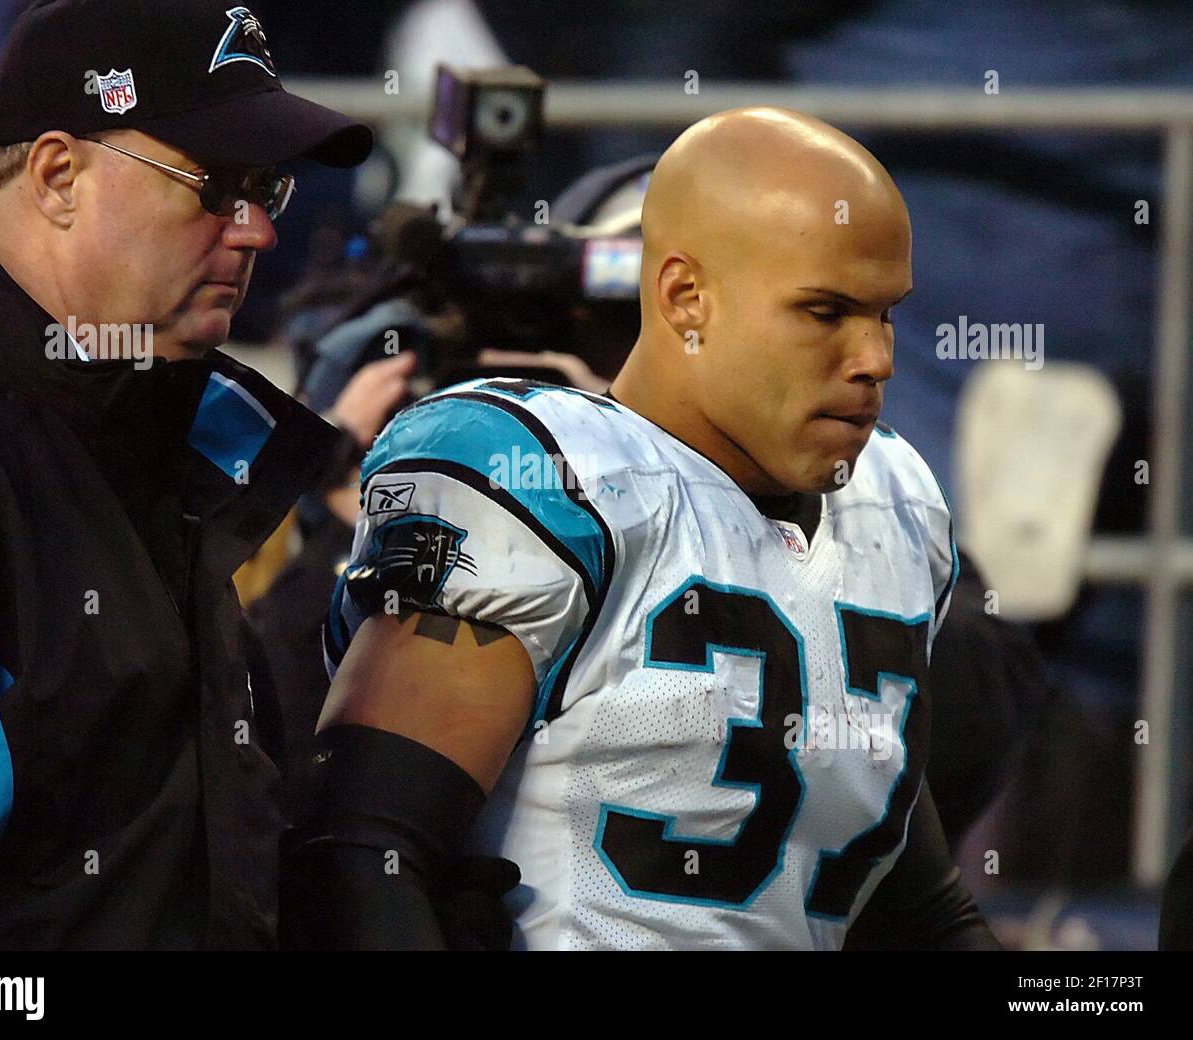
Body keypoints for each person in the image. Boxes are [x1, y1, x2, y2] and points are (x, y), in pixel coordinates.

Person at [295, 106, 1001, 949]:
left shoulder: (891, 501)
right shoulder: (542, 483)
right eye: (825, 311)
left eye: (885, 314)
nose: (875, 358)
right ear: (684, 296)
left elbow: (912, 910)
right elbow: (359, 858)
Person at [0, 0, 373, 950]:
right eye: (213, 184)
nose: (257, 233)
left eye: (265, 188)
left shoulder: (175, 434)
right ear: (59, 177)